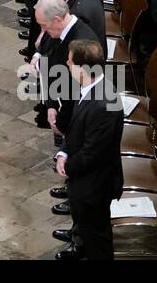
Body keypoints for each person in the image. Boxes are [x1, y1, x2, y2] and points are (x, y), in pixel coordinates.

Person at [53, 38, 123, 260]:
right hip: (85, 180)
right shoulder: (87, 88)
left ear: (83, 69)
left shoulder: (104, 104)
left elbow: (93, 153)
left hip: (94, 185)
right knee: (87, 231)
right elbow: (76, 130)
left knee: (97, 240)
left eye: (70, 61)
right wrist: (63, 152)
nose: (66, 63)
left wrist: (67, 166)